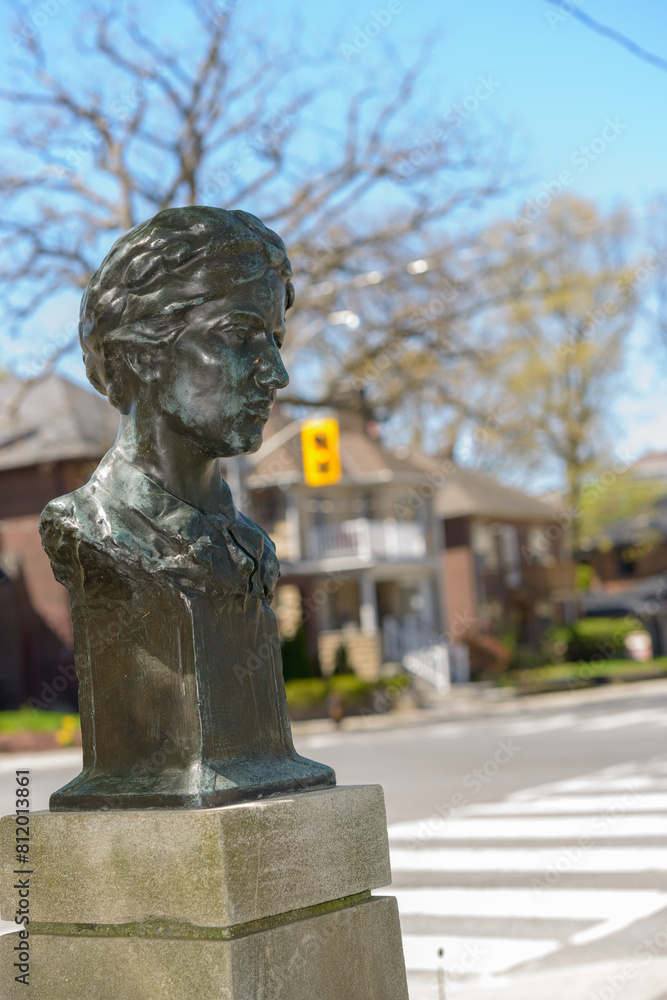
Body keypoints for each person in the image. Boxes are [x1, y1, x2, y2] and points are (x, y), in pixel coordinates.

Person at [41, 207, 335, 810]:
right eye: (240, 336)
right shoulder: (92, 530)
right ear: (143, 354)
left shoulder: (250, 547)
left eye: (275, 340)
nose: (276, 374)